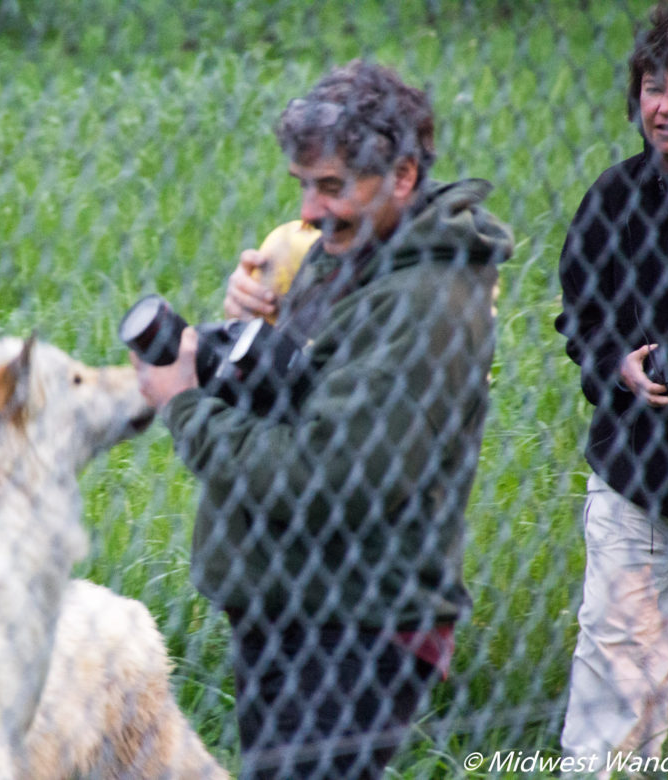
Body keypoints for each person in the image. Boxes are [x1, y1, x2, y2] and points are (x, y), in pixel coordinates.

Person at [132, 60, 512, 778]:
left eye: (332, 186)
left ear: (402, 176)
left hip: (357, 627)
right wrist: (236, 338)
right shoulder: (352, 249)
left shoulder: (425, 305)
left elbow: (323, 478)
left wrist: (183, 402)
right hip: (293, 601)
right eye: (303, 185)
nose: (308, 211)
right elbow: (298, 390)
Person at [555, 3, 668, 771]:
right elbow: (581, 321)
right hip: (638, 479)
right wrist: (617, 365)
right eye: (653, 86)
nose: (666, 105)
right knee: (611, 689)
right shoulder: (614, 201)